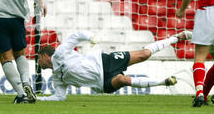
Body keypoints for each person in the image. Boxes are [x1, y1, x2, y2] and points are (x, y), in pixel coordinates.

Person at [36, 30, 192, 101]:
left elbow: (76, 36)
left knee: (144, 54)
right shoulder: (57, 78)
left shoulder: (61, 52)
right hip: (103, 84)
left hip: (105, 61)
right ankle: (163, 82)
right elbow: (59, 96)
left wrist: (92, 37)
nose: (38, 63)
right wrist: (38, 99)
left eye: (39, 59)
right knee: (123, 80)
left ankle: (175, 38)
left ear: (45, 56)